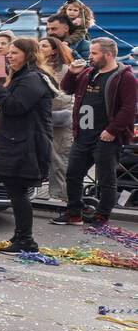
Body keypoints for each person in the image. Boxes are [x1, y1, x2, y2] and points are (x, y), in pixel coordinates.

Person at [55, 37, 138, 226]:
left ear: (108, 54)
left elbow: (129, 109)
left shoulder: (125, 77)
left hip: (106, 138)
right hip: (83, 135)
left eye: (94, 53)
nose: (90, 57)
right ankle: (74, 213)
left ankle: (102, 217)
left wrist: (112, 130)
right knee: (73, 174)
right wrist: (72, 73)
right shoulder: (88, 73)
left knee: (106, 179)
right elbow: (67, 89)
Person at [0, 37, 53, 252]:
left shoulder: (33, 78)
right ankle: (20, 236)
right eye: (9, 53)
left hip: (27, 144)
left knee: (18, 191)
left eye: (14, 53)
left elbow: (15, 106)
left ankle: (25, 240)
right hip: (18, 142)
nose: (9, 56)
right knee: (15, 190)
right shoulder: (23, 76)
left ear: (28, 54)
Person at [39, 38, 75, 203]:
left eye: (44, 46)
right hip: (41, 119)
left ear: (54, 50)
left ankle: (59, 195)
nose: (40, 48)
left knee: (58, 158)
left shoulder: (65, 70)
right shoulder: (36, 68)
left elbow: (65, 97)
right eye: (38, 46)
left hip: (60, 120)